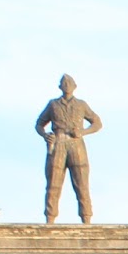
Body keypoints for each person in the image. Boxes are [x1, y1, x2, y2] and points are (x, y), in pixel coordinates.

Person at [35, 74, 102, 223]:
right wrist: (45, 135)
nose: (67, 85)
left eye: (69, 83)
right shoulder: (53, 104)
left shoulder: (81, 105)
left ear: (74, 86)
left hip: (76, 144)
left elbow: (97, 123)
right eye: (64, 83)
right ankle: (50, 219)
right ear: (60, 86)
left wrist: (83, 132)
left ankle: (86, 218)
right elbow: (39, 124)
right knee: (53, 183)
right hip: (58, 143)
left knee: (82, 183)